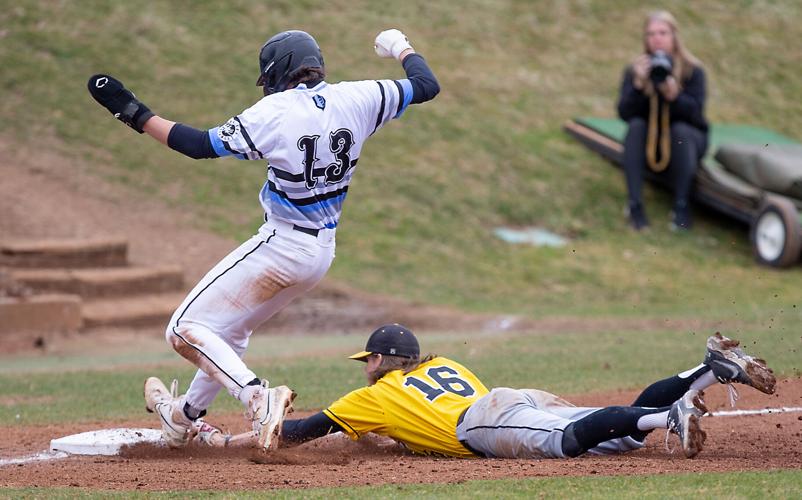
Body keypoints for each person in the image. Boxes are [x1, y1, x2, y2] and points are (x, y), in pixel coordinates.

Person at [86, 28, 440, 450]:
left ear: (277, 73)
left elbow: (199, 145)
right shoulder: (360, 96)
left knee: (182, 329)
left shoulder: (273, 112)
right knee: (230, 332)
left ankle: (257, 395)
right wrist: (401, 48)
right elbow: (426, 86)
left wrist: (134, 112)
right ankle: (184, 418)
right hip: (321, 251)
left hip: (284, 244)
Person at [274, 324, 775, 459]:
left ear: (380, 360)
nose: (367, 368)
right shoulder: (443, 363)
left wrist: (265, 421)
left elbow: (300, 433)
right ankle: (708, 370)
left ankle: (671, 416)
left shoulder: (375, 395)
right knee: (619, 431)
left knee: (566, 441)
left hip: (482, 423)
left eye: (369, 360)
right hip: (510, 401)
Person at [617, 11, 709, 231]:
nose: (656, 38)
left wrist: (675, 97)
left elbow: (697, 115)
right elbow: (624, 113)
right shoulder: (636, 69)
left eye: (662, 33)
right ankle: (635, 206)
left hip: (685, 143)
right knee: (636, 127)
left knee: (681, 131)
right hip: (651, 144)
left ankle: (682, 205)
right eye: (650, 34)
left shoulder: (692, 70)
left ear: (674, 36)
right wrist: (638, 86)